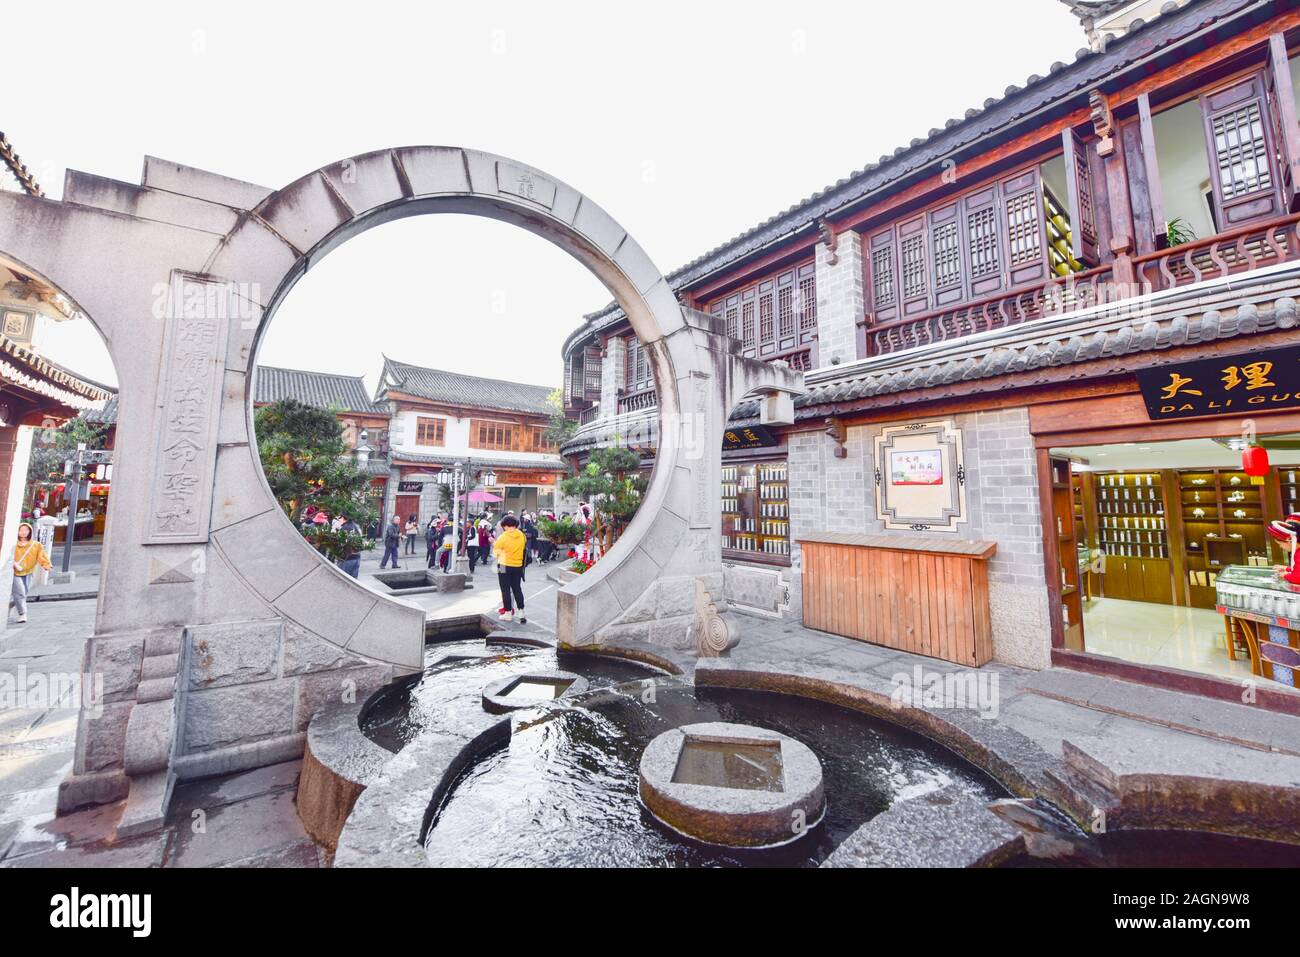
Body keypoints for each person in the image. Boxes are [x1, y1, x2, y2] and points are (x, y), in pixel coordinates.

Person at [10, 522, 52, 624]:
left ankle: (11, 604)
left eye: (26, 530)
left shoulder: (36, 545)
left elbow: (42, 556)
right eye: (21, 530)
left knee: (23, 593)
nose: (23, 532)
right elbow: (8, 557)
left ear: (30, 532)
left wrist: (46, 565)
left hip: (28, 572)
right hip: (15, 572)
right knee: (20, 592)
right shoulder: (13, 545)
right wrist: (14, 564)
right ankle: (22, 614)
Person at [492, 515, 527, 623]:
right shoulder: (521, 535)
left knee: (505, 590)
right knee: (517, 588)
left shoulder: (503, 536)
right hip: (518, 565)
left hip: (503, 565)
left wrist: (493, 543)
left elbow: (496, 552)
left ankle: (508, 613)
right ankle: (521, 612)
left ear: (506, 525)